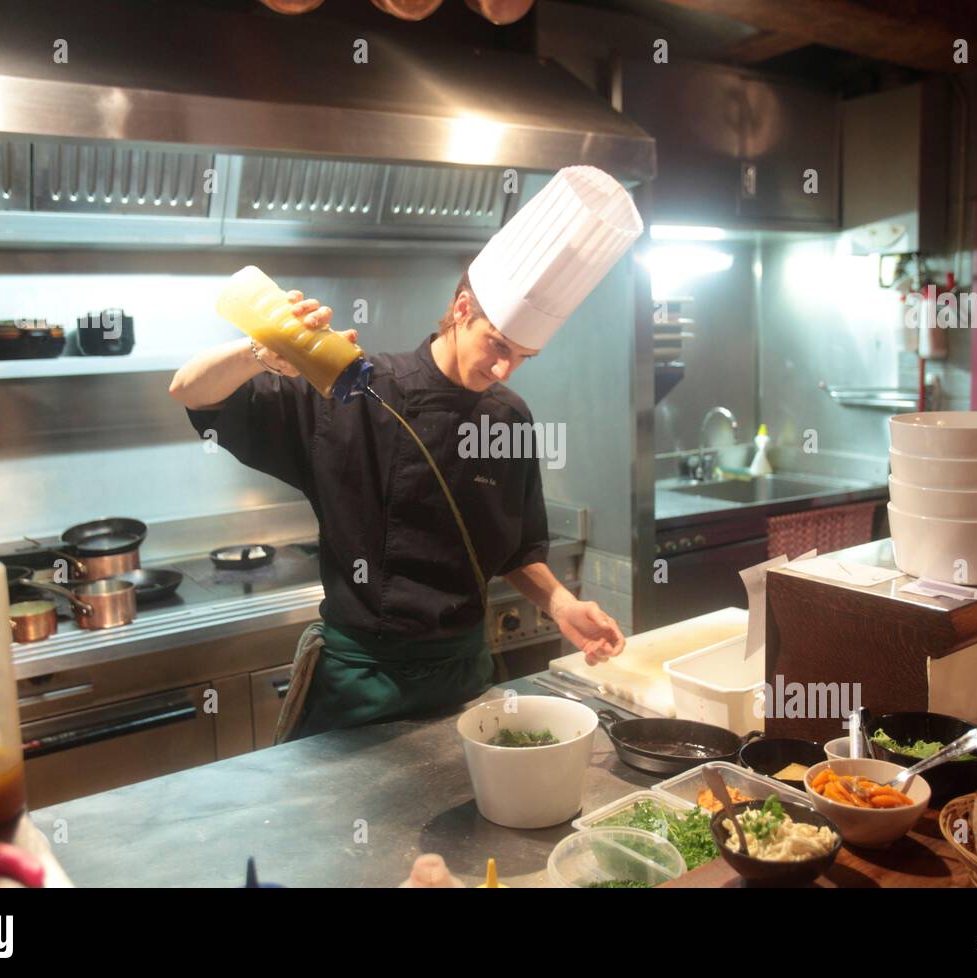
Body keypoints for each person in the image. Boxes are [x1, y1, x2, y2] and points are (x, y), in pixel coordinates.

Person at [170, 165, 643, 739]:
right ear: (462, 307)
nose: (502, 369)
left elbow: (517, 552)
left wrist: (563, 605)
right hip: (358, 691)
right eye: (497, 345)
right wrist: (261, 350)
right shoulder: (351, 391)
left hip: (466, 684)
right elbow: (193, 395)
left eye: (522, 357)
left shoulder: (509, 416)